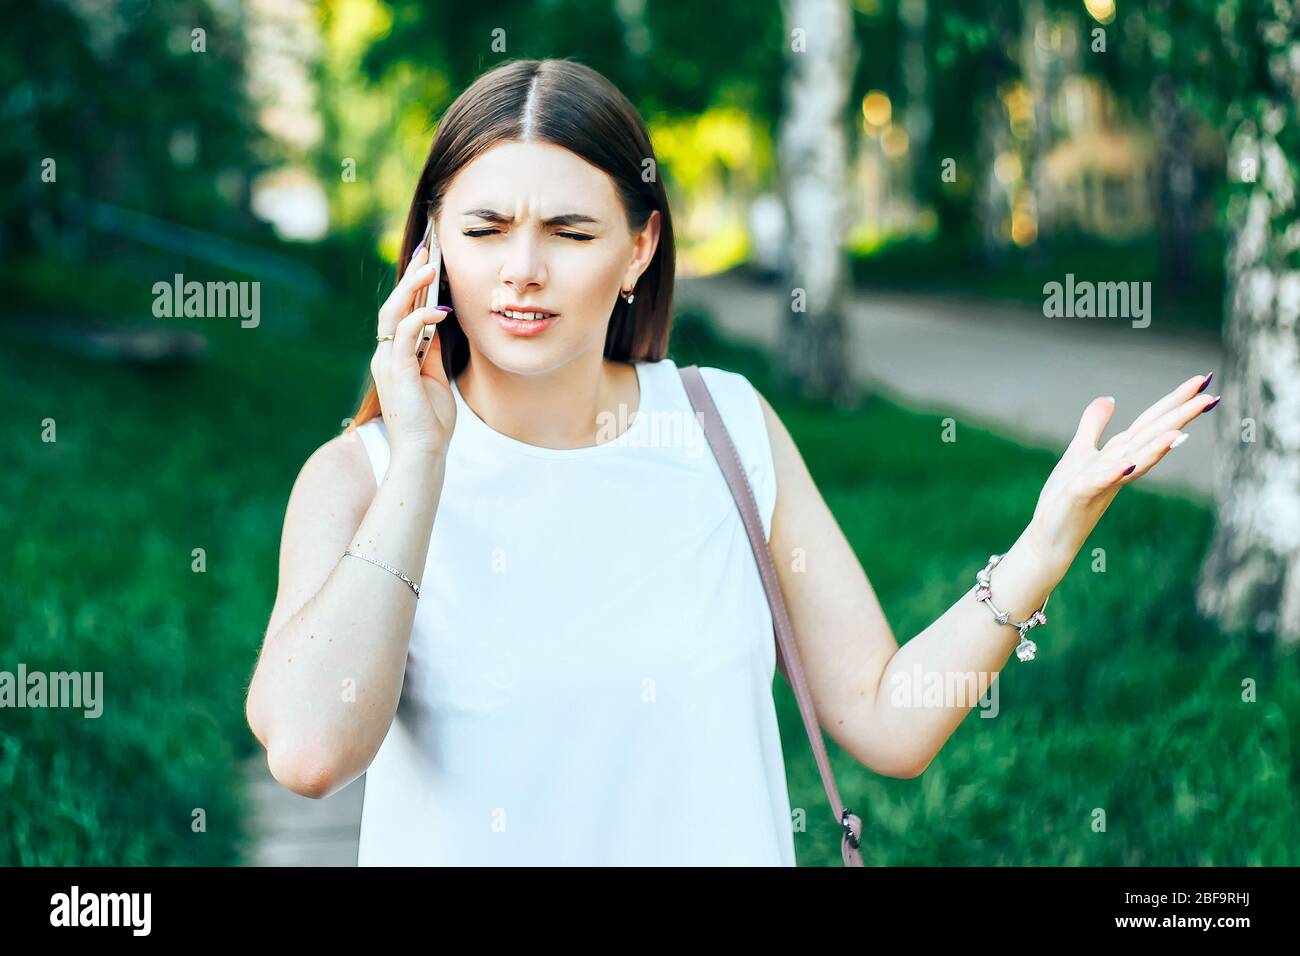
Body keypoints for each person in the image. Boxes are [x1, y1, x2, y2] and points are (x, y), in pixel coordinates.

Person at [243, 58, 1219, 866]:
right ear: (431, 248)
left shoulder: (725, 425)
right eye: (484, 229)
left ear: (639, 248)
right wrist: (422, 455)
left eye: (570, 232)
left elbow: (889, 720)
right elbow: (310, 751)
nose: (522, 270)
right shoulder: (359, 475)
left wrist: (1046, 543)